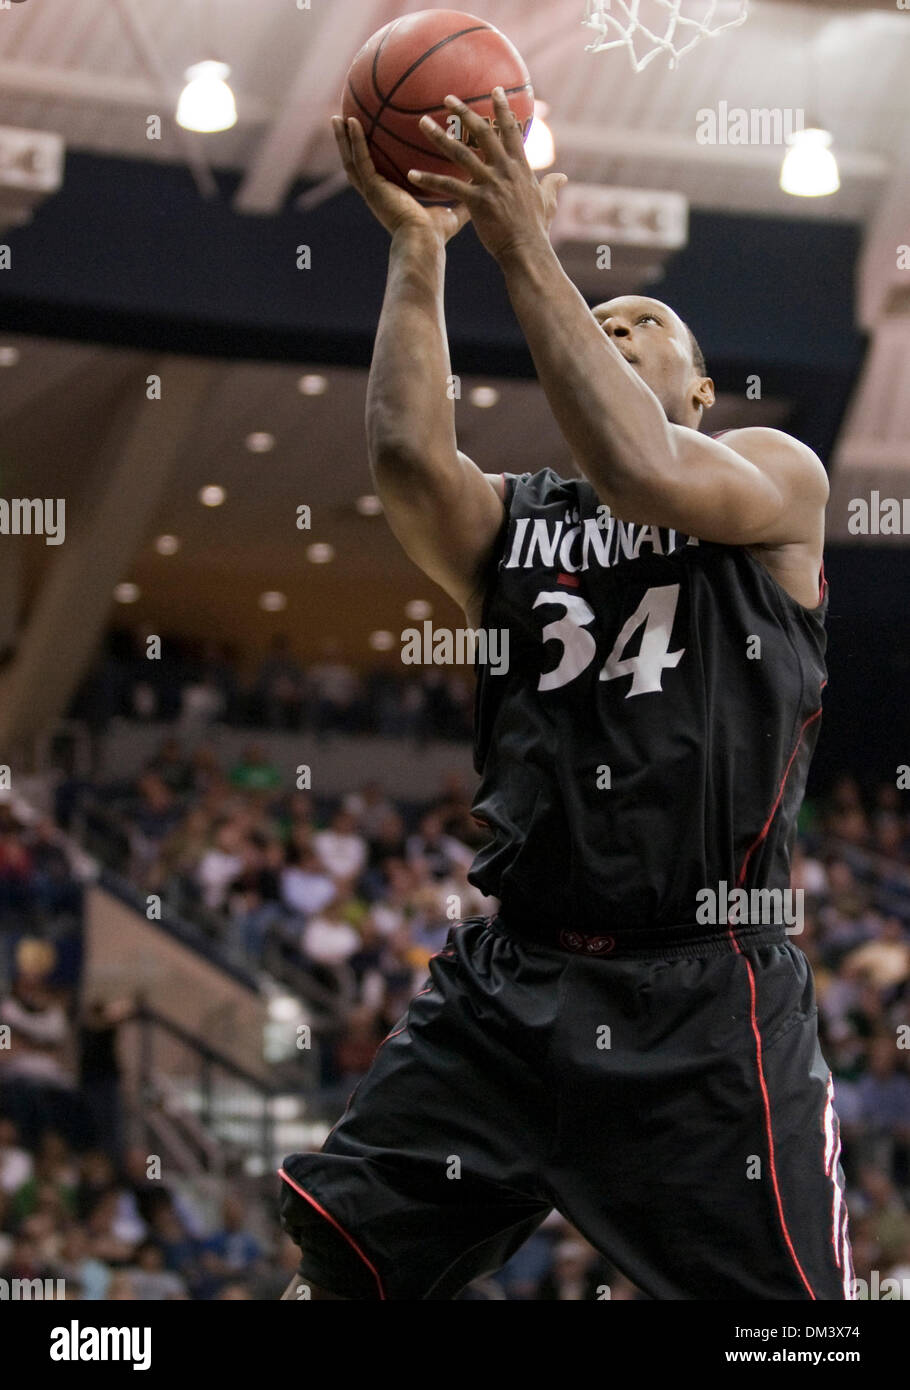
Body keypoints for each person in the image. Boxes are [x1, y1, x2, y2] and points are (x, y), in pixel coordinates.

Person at [277, 92, 851, 1301]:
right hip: (509, 979)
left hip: (702, 990)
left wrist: (519, 238)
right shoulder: (516, 520)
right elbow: (405, 460)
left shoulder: (770, 481)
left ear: (699, 392)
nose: (614, 324)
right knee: (336, 1280)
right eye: (598, 321)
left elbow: (641, 463)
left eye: (642, 321)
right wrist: (420, 251)